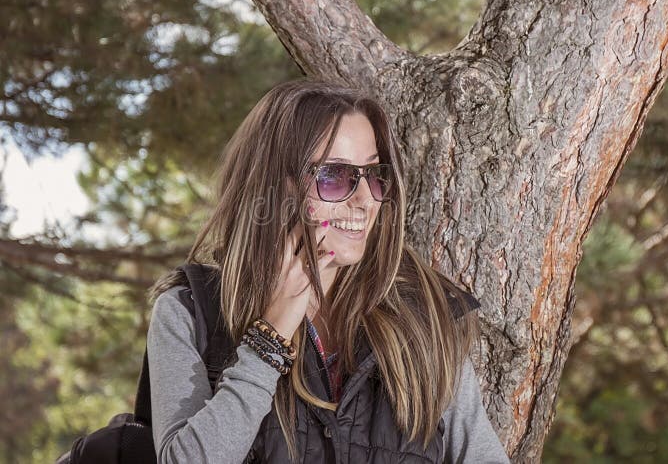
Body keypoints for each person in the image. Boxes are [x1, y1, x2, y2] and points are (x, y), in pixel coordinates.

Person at [146, 78, 510, 463]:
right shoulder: (191, 312)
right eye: (333, 177)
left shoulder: (423, 315)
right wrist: (267, 344)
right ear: (276, 186)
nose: (365, 200)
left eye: (373, 175)